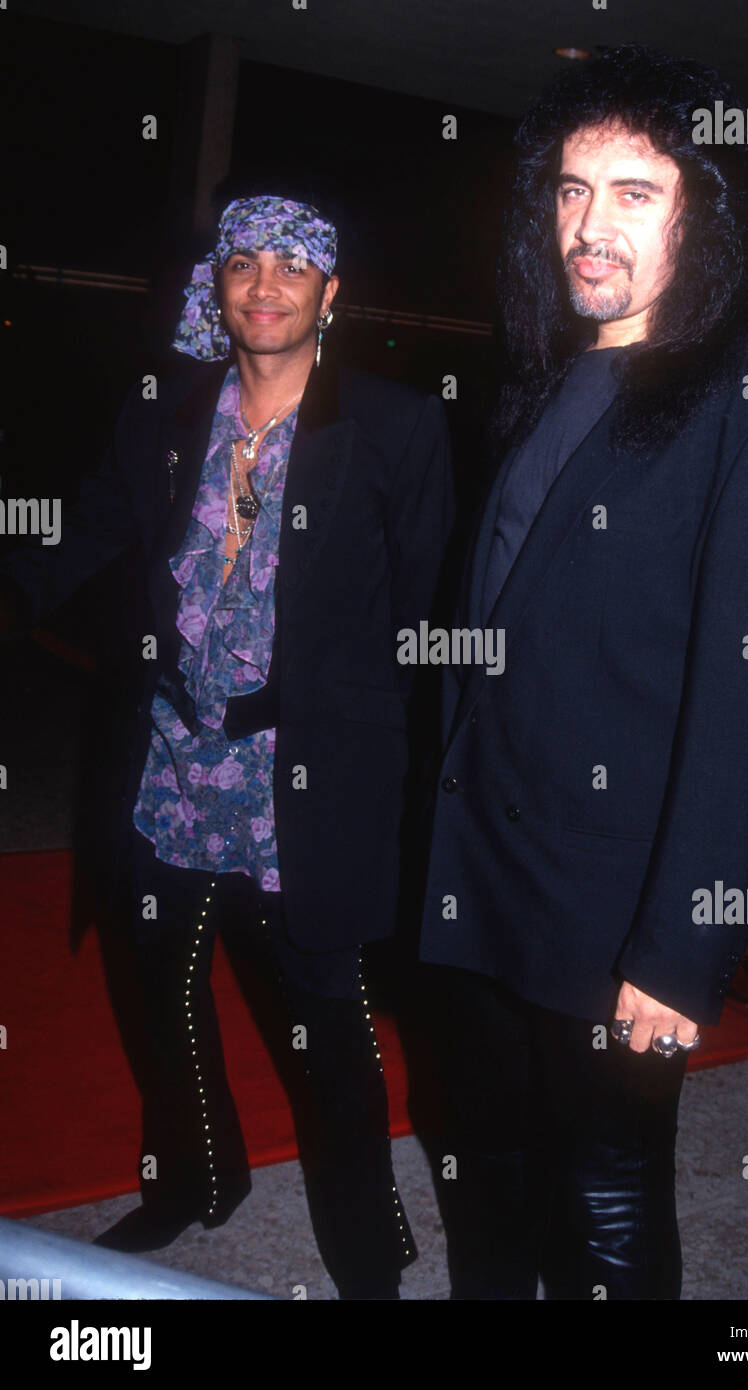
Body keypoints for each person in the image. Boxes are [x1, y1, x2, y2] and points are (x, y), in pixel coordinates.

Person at [416, 44, 748, 1299]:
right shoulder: (554, 373)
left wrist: (677, 944)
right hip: (484, 867)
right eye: (567, 190)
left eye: (633, 192)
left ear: (702, 213)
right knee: (483, 1160)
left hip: (617, 895)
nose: (587, 227)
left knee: (604, 1193)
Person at [0, 190, 453, 1299]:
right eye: (241, 262)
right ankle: (194, 1180)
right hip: (164, 764)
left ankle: (365, 1260)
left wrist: (408, 796)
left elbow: (425, 616)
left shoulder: (392, 427)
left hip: (297, 787)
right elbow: (84, 527)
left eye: (289, 267)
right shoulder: (166, 409)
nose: (262, 283)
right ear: (218, 285)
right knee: (156, 991)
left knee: (326, 1040)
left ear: (328, 293)